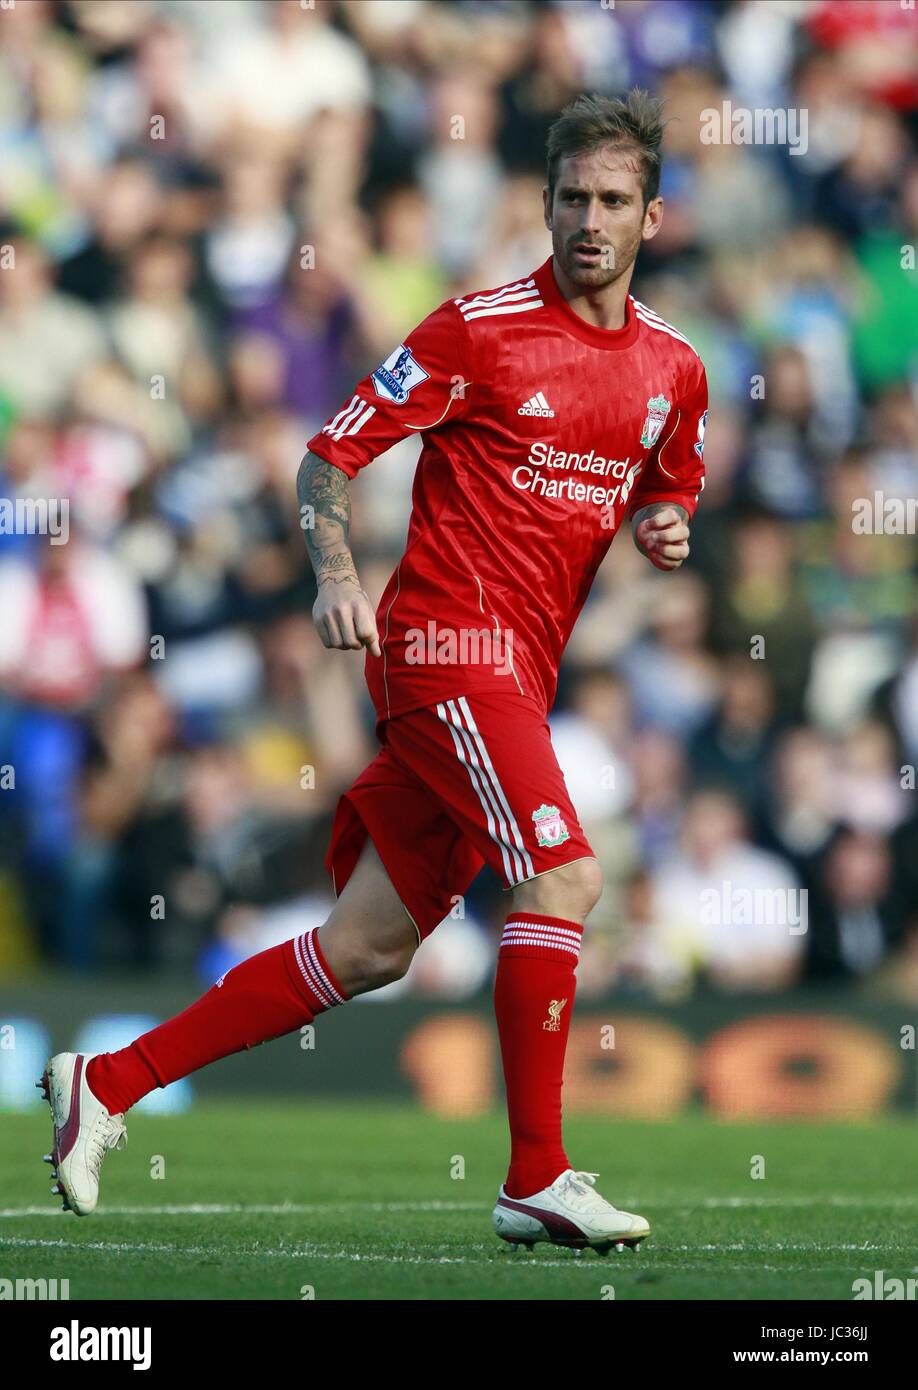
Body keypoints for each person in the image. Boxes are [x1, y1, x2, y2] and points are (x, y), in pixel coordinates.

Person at [40, 90, 708, 1254]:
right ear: (544, 204)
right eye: (572, 198)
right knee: (564, 878)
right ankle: (536, 1176)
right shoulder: (476, 331)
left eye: (614, 201)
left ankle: (108, 1079)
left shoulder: (675, 367)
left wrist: (666, 524)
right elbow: (326, 456)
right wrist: (336, 573)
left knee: (368, 948)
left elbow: (671, 478)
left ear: (652, 217)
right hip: (446, 649)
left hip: (520, 676)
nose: (590, 220)